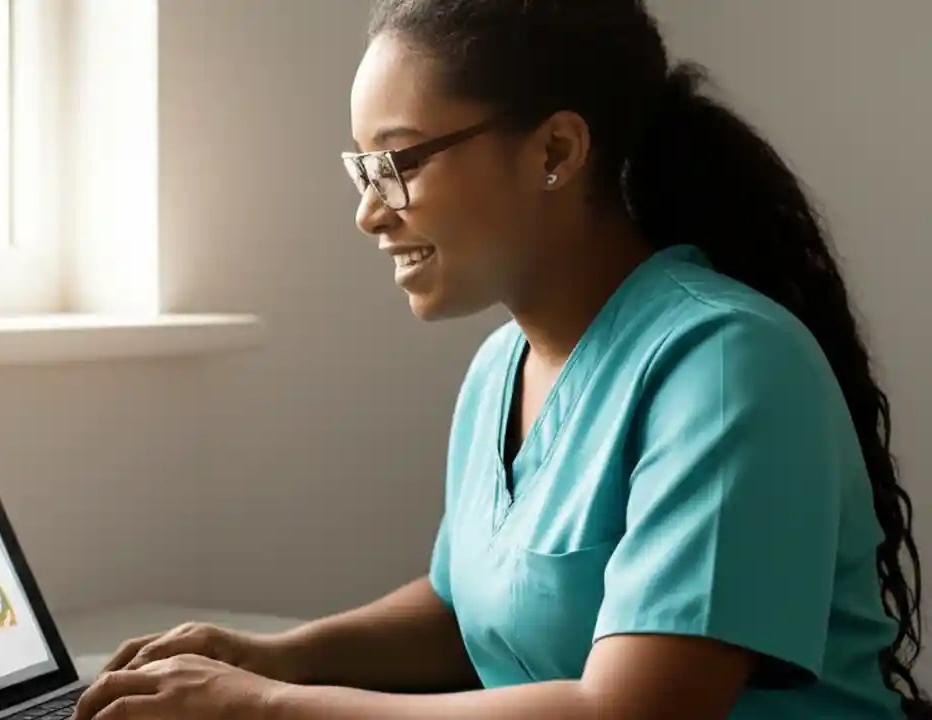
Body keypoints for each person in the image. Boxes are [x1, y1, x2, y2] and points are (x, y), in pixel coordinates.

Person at [72, 1, 928, 718]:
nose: (370, 213)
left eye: (397, 163)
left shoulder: (730, 366)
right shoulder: (501, 367)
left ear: (556, 151)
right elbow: (464, 610)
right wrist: (278, 655)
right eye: (361, 169)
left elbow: (626, 713)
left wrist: (258, 705)